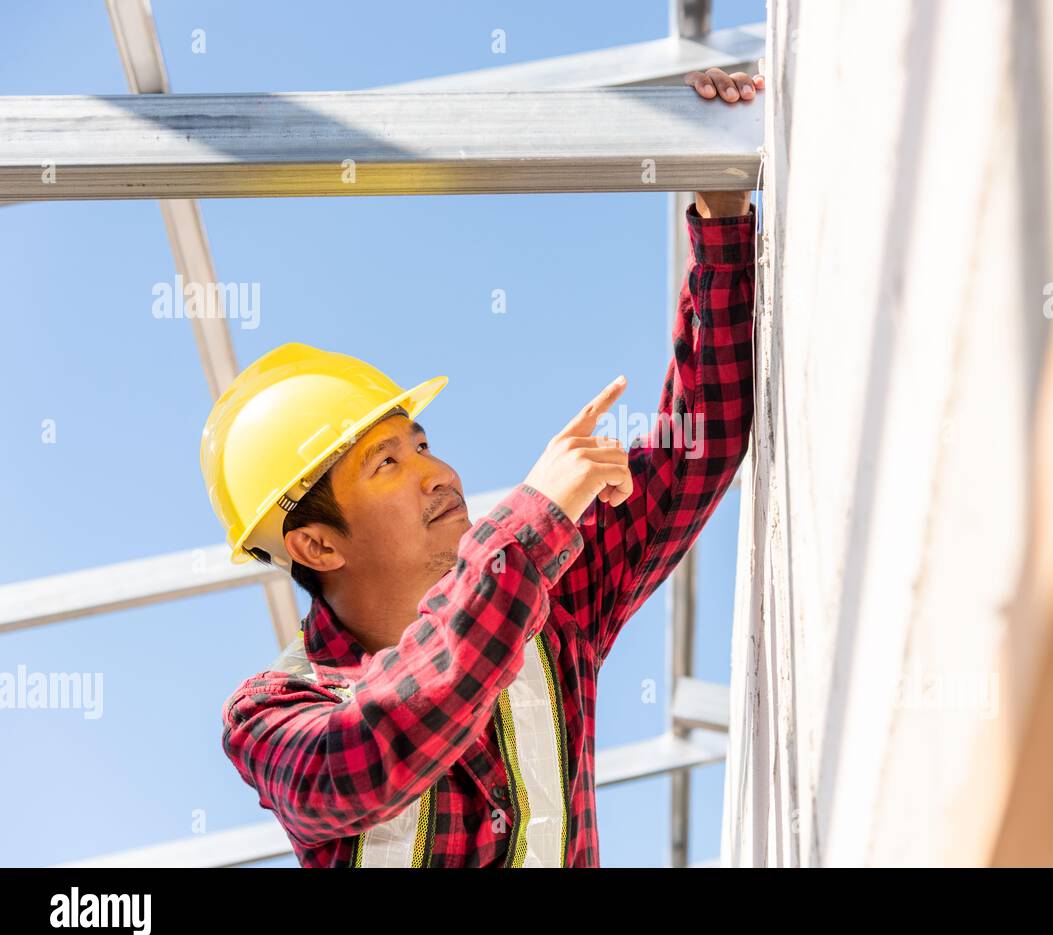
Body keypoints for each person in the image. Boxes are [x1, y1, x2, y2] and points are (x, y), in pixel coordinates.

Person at [206, 67, 763, 867]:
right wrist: (532, 522)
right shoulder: (274, 714)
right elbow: (373, 751)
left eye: (423, 445)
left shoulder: (554, 600)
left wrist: (721, 212)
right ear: (319, 544)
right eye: (386, 462)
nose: (438, 474)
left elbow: (695, 449)